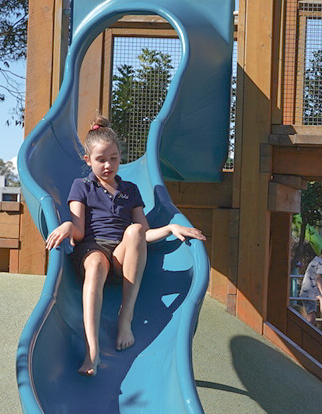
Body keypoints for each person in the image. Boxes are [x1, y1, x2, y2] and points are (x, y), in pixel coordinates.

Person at [43, 115, 204, 376]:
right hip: (93, 250)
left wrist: (170, 228)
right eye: (101, 160)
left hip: (121, 255)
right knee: (96, 263)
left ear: (120, 157)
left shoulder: (130, 190)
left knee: (135, 229)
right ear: (88, 160)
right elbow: (79, 232)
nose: (108, 165)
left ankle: (125, 319)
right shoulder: (82, 187)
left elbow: (143, 234)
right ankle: (92, 351)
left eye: (114, 158)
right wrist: (66, 226)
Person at [296, 243, 322, 324]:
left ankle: (313, 326)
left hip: (308, 291)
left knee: (311, 314)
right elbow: (318, 278)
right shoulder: (321, 263)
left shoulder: (315, 260)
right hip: (311, 292)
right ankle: (311, 328)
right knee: (311, 317)